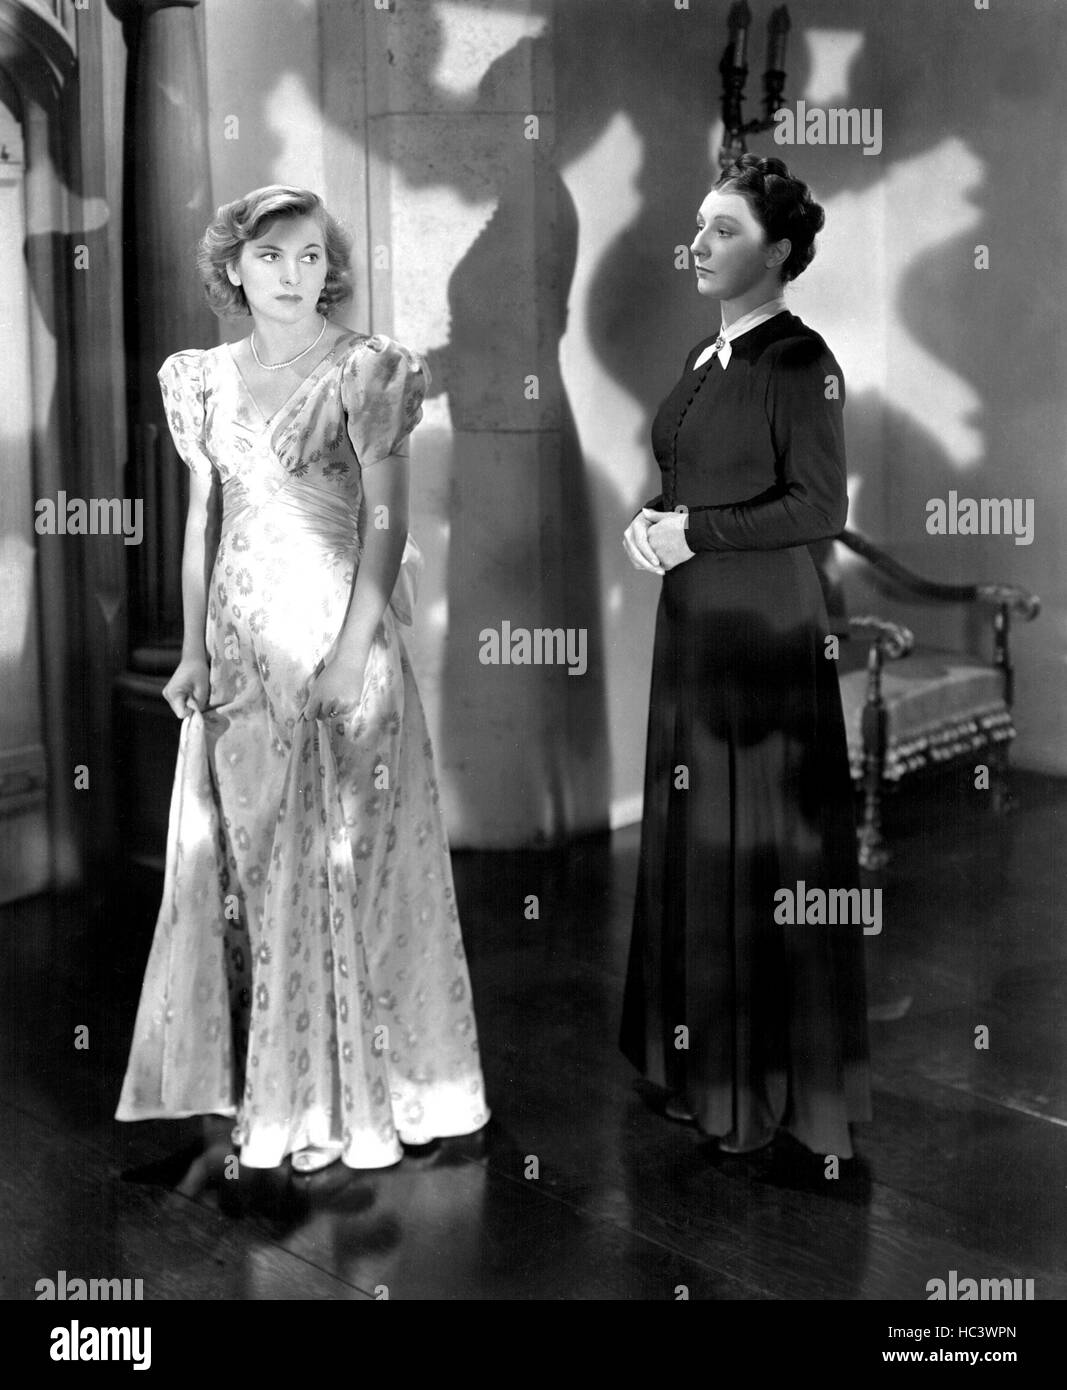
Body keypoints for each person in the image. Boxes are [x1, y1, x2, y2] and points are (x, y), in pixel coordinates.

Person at [116, 185, 490, 1174]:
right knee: (248, 865)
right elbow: (204, 522)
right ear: (232, 269)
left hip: (336, 637)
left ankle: (390, 1093)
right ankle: (273, 1094)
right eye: (272, 256)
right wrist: (193, 649)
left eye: (312, 257)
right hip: (240, 654)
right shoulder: (200, 378)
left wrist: (354, 646)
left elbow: (387, 522)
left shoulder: (369, 369)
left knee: (358, 858)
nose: (295, 275)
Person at [619, 155, 871, 1161]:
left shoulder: (797, 358)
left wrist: (693, 536)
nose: (699, 243)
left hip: (763, 631)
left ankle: (762, 1092)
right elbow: (689, 479)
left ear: (776, 251)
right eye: (696, 226)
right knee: (697, 837)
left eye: (723, 229)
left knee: (754, 845)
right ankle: (697, 1071)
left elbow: (818, 508)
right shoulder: (703, 355)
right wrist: (653, 525)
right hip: (695, 629)